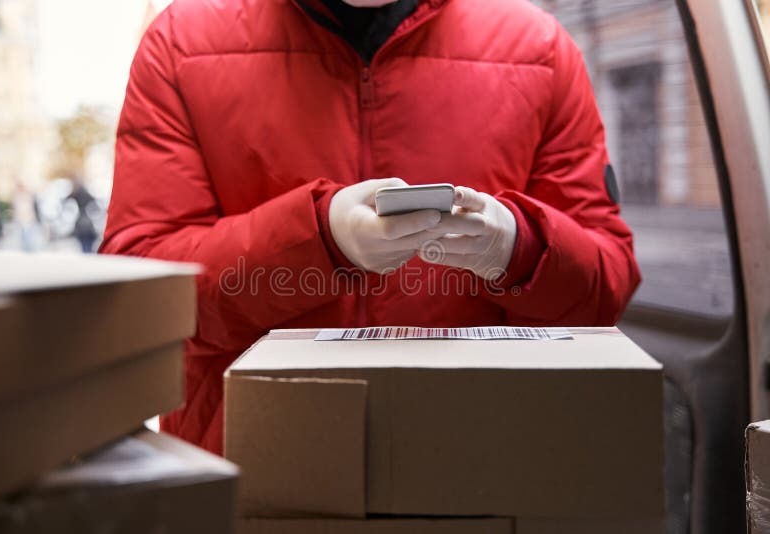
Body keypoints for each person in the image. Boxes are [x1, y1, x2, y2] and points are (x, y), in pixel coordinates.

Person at [101, 0, 641, 454]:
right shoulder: (180, 43)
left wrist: (521, 249)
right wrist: (318, 239)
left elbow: (607, 287)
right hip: (251, 461)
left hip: (479, 461)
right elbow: (140, 295)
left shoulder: (540, 50)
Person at [66, 178, 99, 253]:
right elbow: (93, 201)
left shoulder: (77, 192)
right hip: (86, 220)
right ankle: (88, 253)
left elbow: (68, 198)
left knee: (85, 244)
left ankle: (87, 253)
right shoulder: (83, 191)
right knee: (87, 244)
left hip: (82, 221)